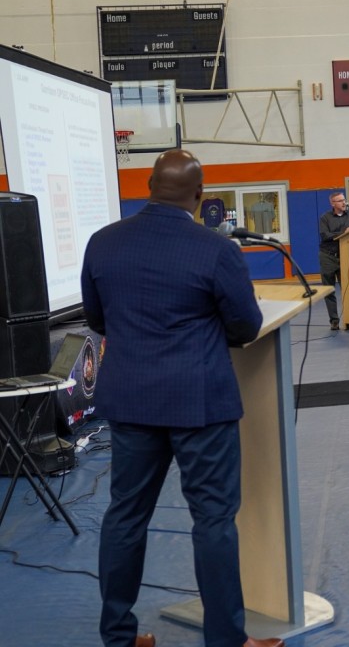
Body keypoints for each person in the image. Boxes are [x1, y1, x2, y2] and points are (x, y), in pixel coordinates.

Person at [81, 150, 282, 647]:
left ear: (149, 186)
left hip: (131, 401)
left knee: (125, 515)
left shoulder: (102, 243)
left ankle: (118, 638)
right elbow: (246, 326)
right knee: (213, 521)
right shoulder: (215, 250)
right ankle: (226, 640)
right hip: (200, 403)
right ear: (199, 196)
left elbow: (98, 319)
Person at [318, 191, 349, 330]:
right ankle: (334, 320)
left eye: (344, 200)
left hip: (346, 256)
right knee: (329, 290)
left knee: (348, 289)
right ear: (333, 203)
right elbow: (325, 235)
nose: (344, 203)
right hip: (328, 256)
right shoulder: (325, 218)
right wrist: (344, 232)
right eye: (340, 201)